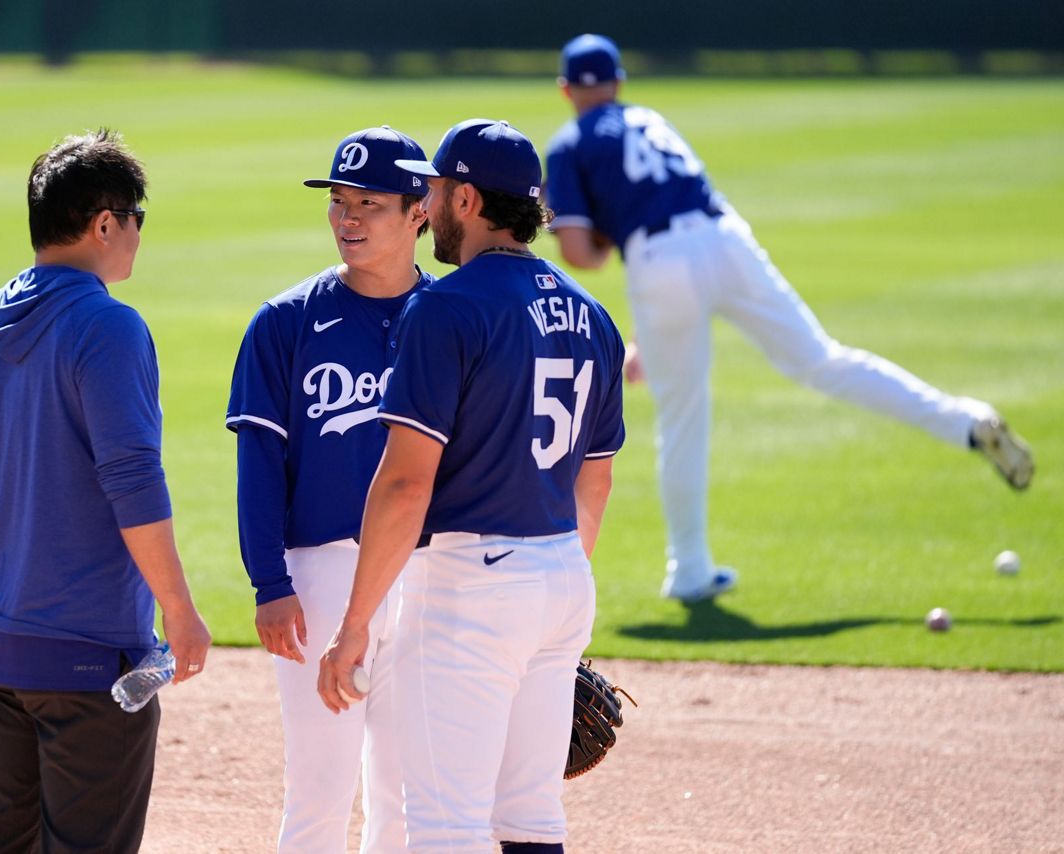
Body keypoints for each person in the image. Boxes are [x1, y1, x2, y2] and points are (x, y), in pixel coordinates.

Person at [544, 34, 1037, 604]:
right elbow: (670, 202)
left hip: (658, 263)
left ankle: (690, 568)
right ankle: (965, 421)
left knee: (683, 416)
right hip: (726, 237)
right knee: (823, 359)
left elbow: (583, 253)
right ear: (619, 83)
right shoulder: (649, 120)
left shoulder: (570, 142)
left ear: (564, 90)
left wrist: (606, 238)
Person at [317, 119, 627, 853]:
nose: (423, 199)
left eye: (433, 186)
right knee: (530, 820)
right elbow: (598, 480)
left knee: (445, 826)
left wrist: (356, 623)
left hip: (469, 592)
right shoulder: (594, 316)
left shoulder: (447, 307)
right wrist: (551, 589)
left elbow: (402, 485)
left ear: (465, 198)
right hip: (561, 581)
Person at [0, 128, 212, 853]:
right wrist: (179, 609)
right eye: (137, 216)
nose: (139, 234)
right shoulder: (108, 327)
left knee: (1, 841)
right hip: (88, 655)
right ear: (105, 222)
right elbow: (132, 479)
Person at [225, 126, 432, 853]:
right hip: (317, 577)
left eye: (369, 204)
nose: (347, 218)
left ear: (420, 211)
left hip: (427, 573)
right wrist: (268, 582)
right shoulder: (285, 322)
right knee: (319, 790)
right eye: (339, 202)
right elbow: (258, 467)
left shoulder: (451, 318)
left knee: (407, 794)